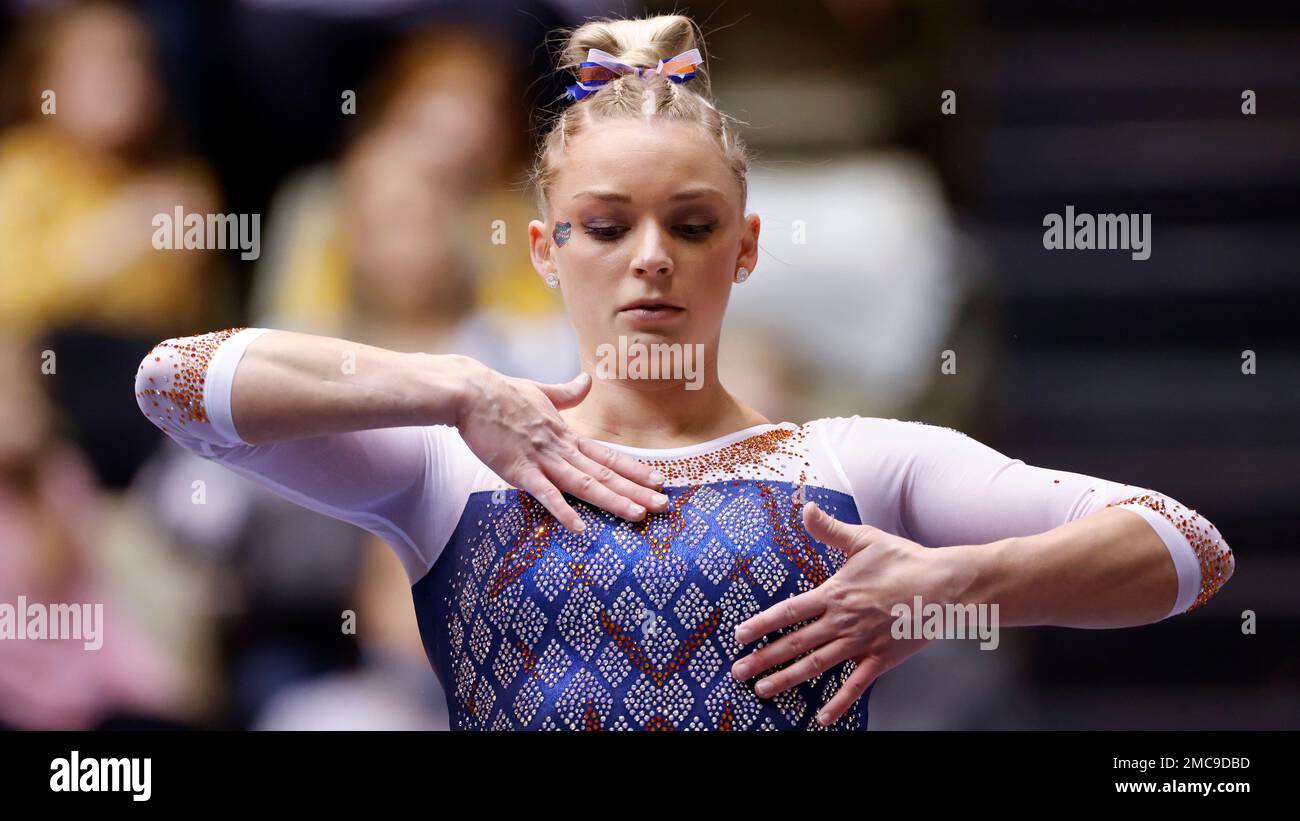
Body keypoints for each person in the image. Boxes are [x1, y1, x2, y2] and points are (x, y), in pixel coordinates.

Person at [133, 14, 1235, 731]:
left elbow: (1188, 548)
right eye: (605, 226)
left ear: (745, 247)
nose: (651, 254)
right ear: (542, 249)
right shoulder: (453, 465)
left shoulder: (852, 460)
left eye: (692, 223)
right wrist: (456, 386)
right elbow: (175, 379)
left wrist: (958, 583)